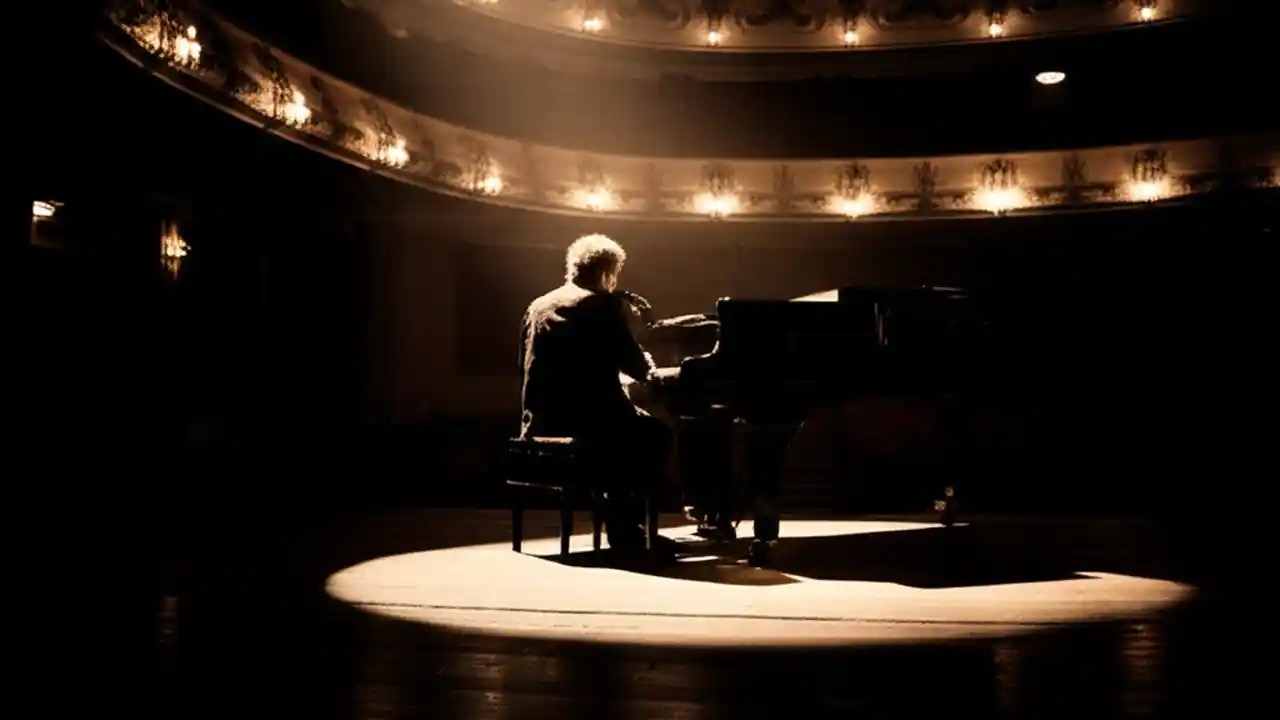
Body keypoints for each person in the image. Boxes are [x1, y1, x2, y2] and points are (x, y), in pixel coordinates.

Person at [519, 234, 672, 552]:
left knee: (629, 431)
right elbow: (634, 365)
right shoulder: (601, 304)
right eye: (615, 275)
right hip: (588, 423)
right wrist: (651, 368)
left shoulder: (538, 305)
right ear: (607, 273)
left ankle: (617, 516)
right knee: (655, 435)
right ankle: (625, 525)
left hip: (540, 422)